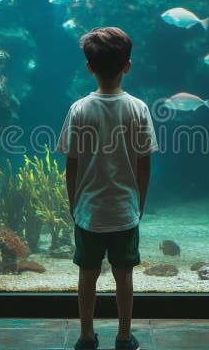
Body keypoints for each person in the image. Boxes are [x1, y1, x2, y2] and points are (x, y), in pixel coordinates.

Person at [56, 27, 158, 350]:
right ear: (127, 66)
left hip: (88, 211)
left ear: (89, 67)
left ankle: (86, 336)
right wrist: (139, 202)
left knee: (87, 274)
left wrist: (74, 202)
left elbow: (71, 164)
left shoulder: (79, 109)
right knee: (123, 274)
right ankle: (124, 337)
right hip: (125, 210)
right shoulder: (139, 109)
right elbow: (144, 164)